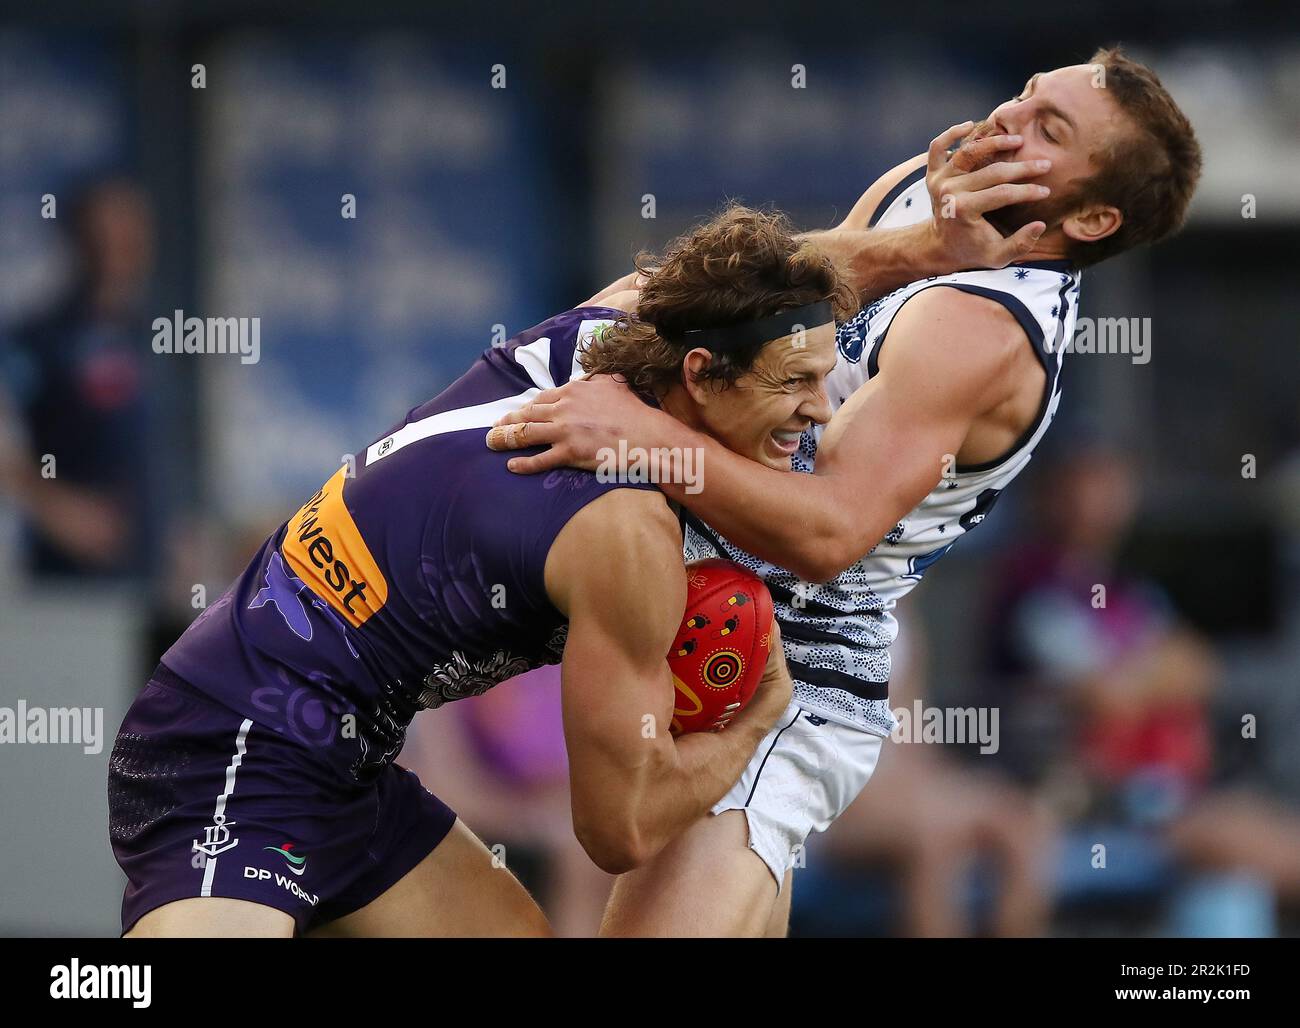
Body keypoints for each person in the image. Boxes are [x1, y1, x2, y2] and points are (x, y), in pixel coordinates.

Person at [487, 47, 1204, 936]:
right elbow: (756, 300)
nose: (1008, 120)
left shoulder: (986, 329)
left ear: (1093, 218)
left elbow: (828, 531)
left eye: (1049, 131)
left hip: (789, 661)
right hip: (681, 593)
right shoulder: (930, 187)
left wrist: (647, 441)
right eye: (1025, 95)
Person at [108, 206, 852, 937]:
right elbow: (618, 831)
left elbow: (722, 280)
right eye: (794, 381)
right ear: (701, 372)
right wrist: (756, 726)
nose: (820, 409)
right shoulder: (628, 535)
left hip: (346, 773)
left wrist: (922, 246)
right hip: (233, 748)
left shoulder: (590, 340)